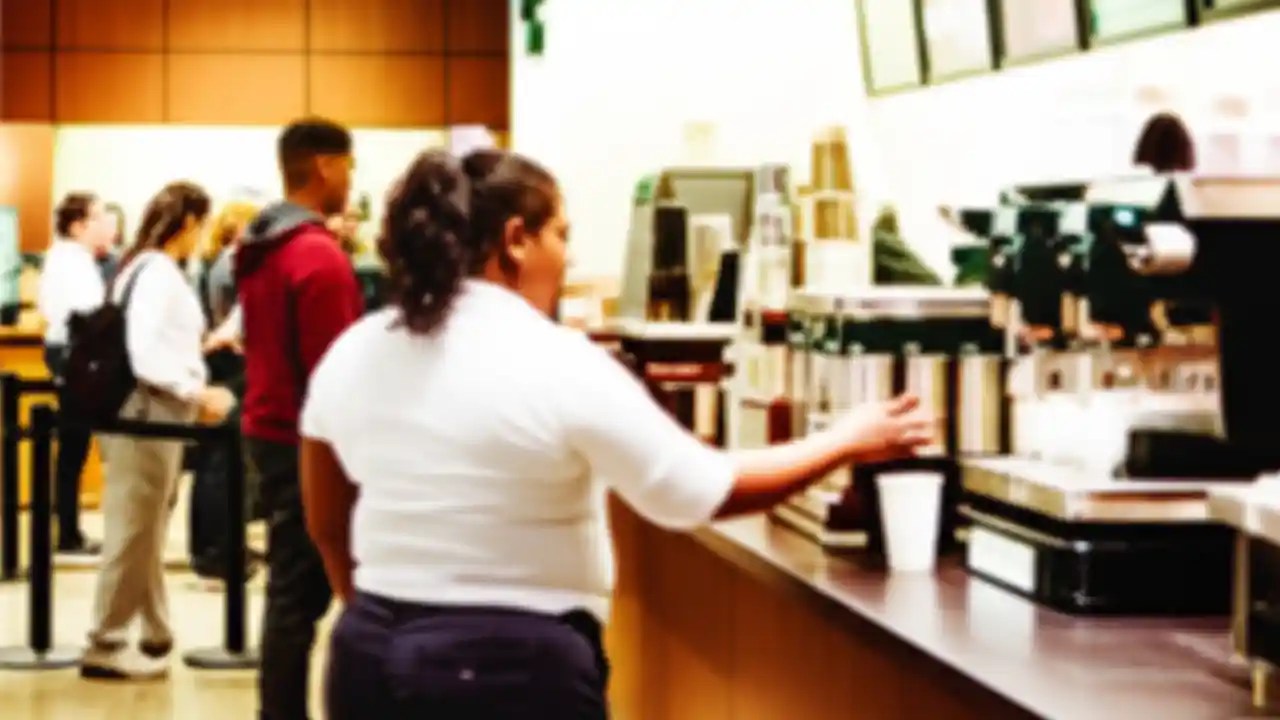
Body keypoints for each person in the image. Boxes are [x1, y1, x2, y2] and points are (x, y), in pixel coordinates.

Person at [299, 149, 933, 718]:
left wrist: (389, 620)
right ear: (516, 240)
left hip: (368, 657)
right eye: (561, 235)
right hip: (510, 673)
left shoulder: (354, 351)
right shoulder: (554, 358)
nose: (568, 257)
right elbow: (692, 492)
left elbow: (327, 522)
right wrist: (846, 438)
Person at [82, 181, 237, 679]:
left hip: (138, 410)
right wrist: (195, 393)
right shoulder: (160, 273)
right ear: (189, 223)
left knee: (145, 523)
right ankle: (105, 642)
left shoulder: (138, 266)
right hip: (149, 411)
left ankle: (154, 627)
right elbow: (146, 352)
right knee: (133, 529)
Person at [236, 118, 363, 720]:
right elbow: (336, 372)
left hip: (267, 427)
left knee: (288, 595)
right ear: (325, 167)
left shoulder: (259, 244)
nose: (352, 179)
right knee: (306, 599)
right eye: (350, 165)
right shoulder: (318, 256)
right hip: (307, 439)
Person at [38, 193, 115, 556]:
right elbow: (88, 313)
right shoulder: (72, 261)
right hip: (75, 354)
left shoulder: (66, 257)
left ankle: (68, 530)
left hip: (69, 351)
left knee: (73, 448)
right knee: (74, 447)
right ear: (78, 224)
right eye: (99, 216)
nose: (106, 223)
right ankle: (67, 533)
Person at [188, 201, 261, 582]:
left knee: (214, 463)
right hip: (231, 365)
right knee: (222, 464)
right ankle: (218, 551)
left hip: (220, 362)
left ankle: (215, 547)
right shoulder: (236, 263)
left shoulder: (217, 261)